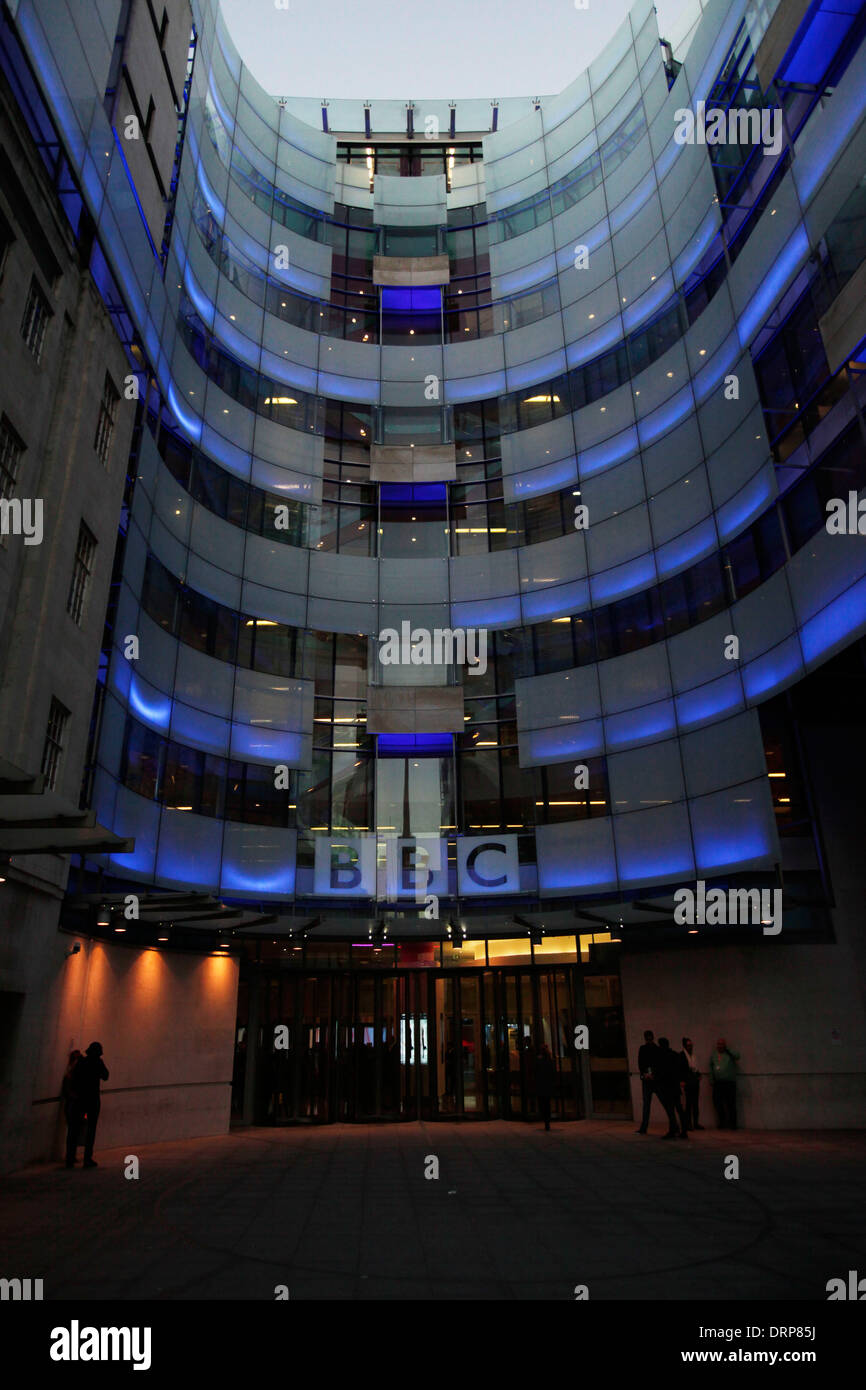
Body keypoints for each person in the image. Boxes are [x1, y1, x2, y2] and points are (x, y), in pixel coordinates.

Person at [65, 1041, 109, 1169]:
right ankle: (87, 1159)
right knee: (90, 1130)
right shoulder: (98, 1062)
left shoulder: (81, 1062)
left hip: (79, 1099)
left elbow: (74, 1078)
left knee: (73, 1129)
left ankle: (69, 1158)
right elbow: (106, 1076)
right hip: (92, 1099)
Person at [655, 1037, 688, 1138]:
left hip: (667, 1086)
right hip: (674, 1086)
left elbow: (661, 1072)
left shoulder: (661, 1056)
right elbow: (681, 1069)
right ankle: (684, 1131)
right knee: (679, 1109)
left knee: (671, 1110)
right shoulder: (674, 1055)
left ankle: (673, 1130)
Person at [709, 1037, 740, 1129]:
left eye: (722, 1044)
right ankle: (722, 1123)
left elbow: (737, 1056)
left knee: (731, 1104)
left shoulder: (729, 1054)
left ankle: (733, 1124)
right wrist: (711, 1079)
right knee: (718, 1103)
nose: (720, 1046)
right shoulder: (714, 1055)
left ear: (725, 1045)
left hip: (729, 1083)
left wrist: (728, 1050)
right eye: (718, 1044)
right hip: (718, 1083)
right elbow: (711, 1067)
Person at [635, 1029, 659, 1133]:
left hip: (649, 1078)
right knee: (648, 1104)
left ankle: (644, 1127)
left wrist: (645, 1074)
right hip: (651, 1078)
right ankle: (643, 1127)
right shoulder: (655, 1049)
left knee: (646, 1104)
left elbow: (640, 1063)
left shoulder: (644, 1049)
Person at [680, 1036, 703, 1131]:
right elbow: (680, 1069)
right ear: (684, 1046)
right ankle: (688, 1123)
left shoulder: (693, 1056)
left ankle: (696, 1123)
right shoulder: (681, 1055)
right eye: (688, 1045)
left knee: (695, 1104)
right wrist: (682, 1080)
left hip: (694, 1081)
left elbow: (695, 1068)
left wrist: (699, 1074)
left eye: (691, 1045)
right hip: (687, 1081)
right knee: (689, 1104)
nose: (690, 1047)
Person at [534, 1043, 556, 1131]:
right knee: (547, 1103)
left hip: (541, 1085)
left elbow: (535, 1072)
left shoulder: (539, 1061)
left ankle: (545, 1118)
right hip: (547, 1085)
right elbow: (553, 1073)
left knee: (542, 1103)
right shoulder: (550, 1061)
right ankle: (547, 1120)